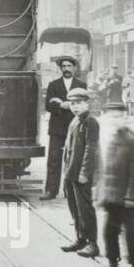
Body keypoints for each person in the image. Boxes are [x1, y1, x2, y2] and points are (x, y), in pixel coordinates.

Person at [90, 101, 134, 267]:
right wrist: (99, 194)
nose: (114, 120)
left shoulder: (133, 140)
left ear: (124, 117)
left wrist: (132, 195)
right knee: (109, 233)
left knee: (130, 233)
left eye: (117, 116)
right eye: (110, 116)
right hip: (110, 195)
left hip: (126, 198)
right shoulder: (107, 139)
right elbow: (103, 169)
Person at [59, 87, 100, 258]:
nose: (75, 107)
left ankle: (93, 244)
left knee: (85, 209)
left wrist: (84, 172)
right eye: (72, 104)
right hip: (70, 171)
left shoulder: (90, 122)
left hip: (81, 173)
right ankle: (80, 239)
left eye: (79, 103)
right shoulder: (75, 121)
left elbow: (91, 149)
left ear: (86, 103)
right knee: (74, 208)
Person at [42, 56, 83, 200]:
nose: (66, 69)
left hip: (76, 128)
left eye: (69, 66)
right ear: (60, 68)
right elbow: (47, 105)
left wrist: (68, 104)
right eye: (64, 66)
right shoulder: (53, 85)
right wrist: (60, 105)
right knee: (54, 159)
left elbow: (84, 105)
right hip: (57, 129)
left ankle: (71, 191)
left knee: (75, 159)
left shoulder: (81, 85)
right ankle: (51, 191)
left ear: (74, 68)